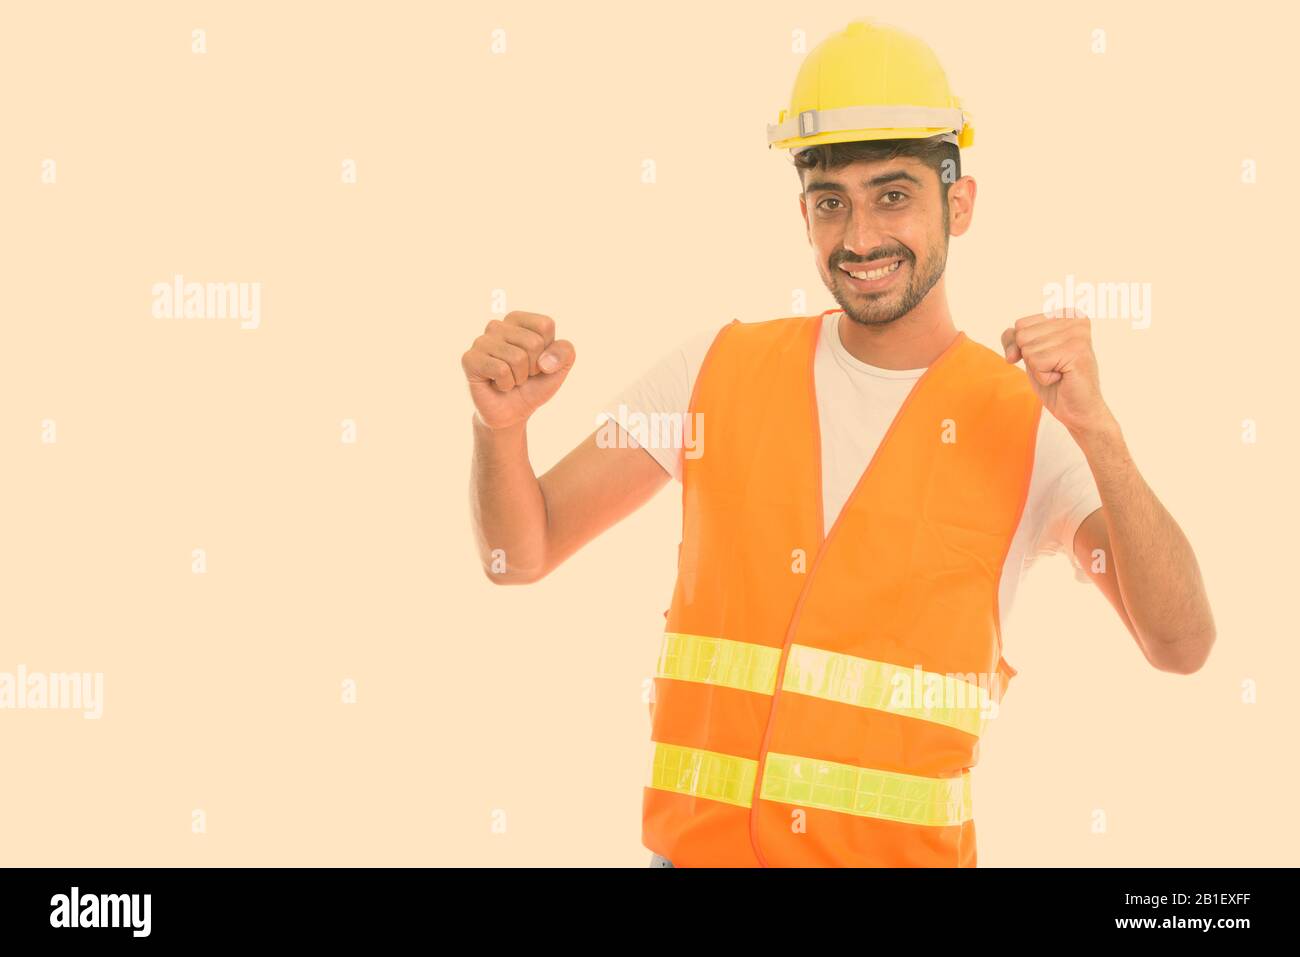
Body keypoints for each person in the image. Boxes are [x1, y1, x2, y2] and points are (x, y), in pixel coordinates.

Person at [461, 19, 1215, 867]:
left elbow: (1181, 645)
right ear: (804, 213)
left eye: (893, 194)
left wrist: (1101, 434)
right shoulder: (714, 369)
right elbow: (516, 558)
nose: (859, 238)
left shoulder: (1033, 419)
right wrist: (502, 430)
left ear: (957, 203)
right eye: (832, 202)